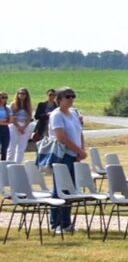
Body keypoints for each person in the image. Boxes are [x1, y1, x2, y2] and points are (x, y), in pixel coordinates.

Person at [46, 87, 88, 233]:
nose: (71, 99)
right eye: (67, 96)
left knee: (70, 189)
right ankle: (55, 223)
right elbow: (61, 137)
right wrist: (78, 150)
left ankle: (66, 223)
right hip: (62, 155)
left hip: (74, 155)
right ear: (59, 99)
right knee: (59, 188)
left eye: (73, 96)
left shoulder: (74, 113)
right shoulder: (56, 115)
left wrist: (81, 150)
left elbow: (79, 132)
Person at [6, 88, 32, 163]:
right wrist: (18, 127)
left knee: (21, 148)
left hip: (25, 125)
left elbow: (29, 117)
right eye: (19, 93)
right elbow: (11, 117)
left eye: (23, 93)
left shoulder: (28, 105)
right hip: (14, 125)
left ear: (26, 95)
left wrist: (24, 127)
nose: (21, 95)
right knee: (11, 147)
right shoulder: (13, 104)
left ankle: (18, 164)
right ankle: (9, 163)